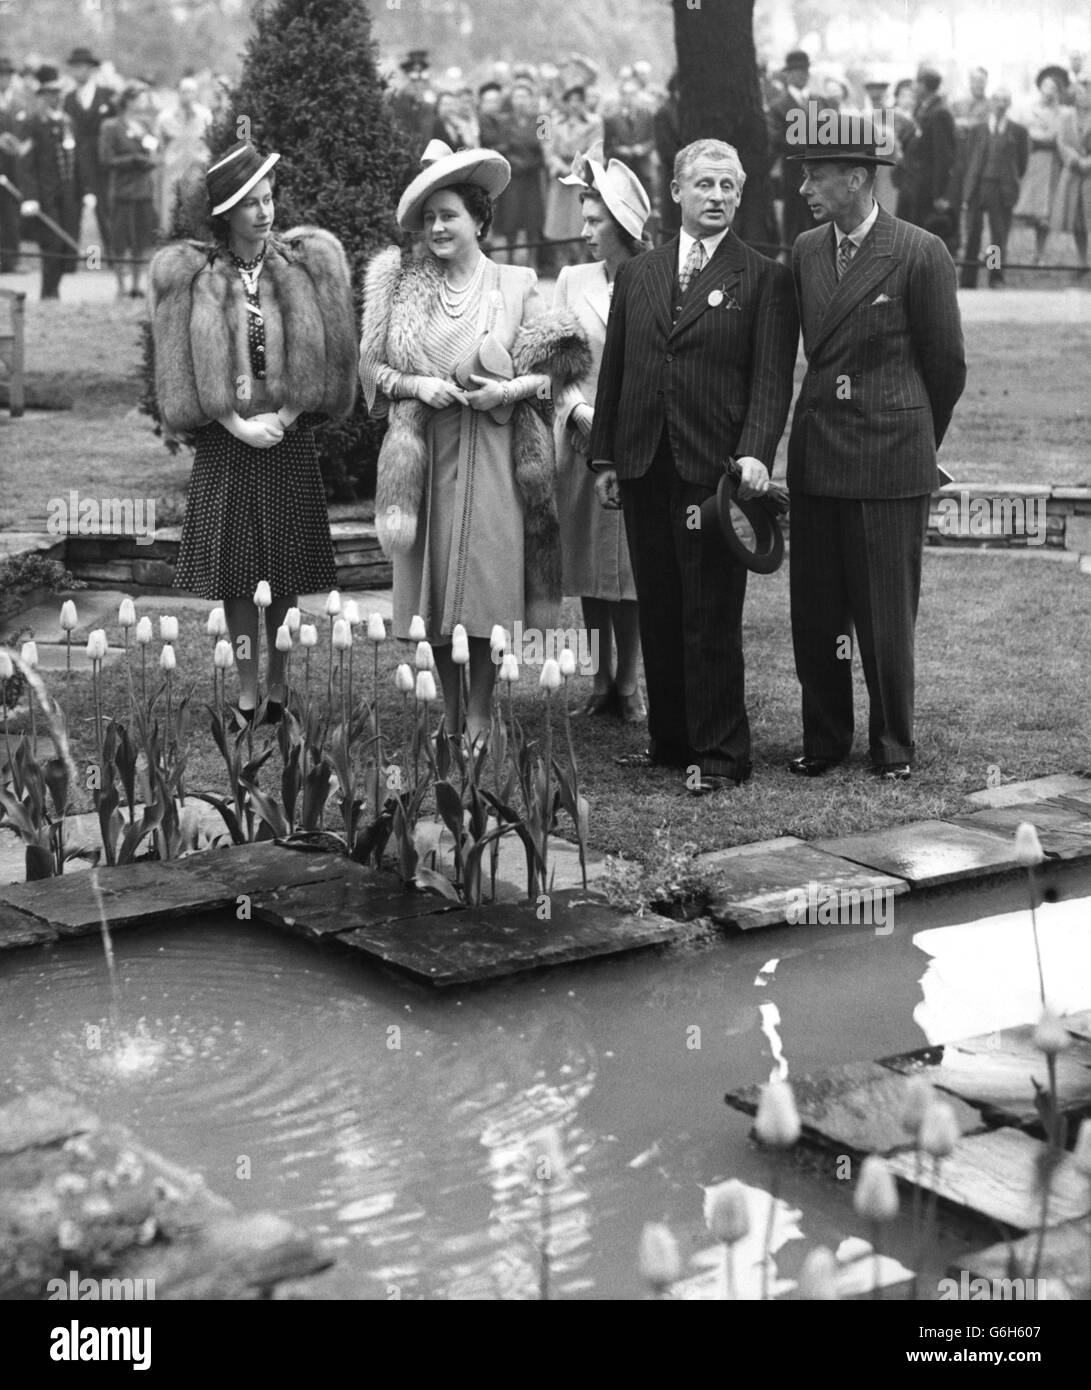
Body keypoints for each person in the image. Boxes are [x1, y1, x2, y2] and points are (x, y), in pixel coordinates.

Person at [359, 140, 590, 745]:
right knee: (436, 586)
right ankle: (451, 712)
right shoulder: (405, 289)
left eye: (449, 216)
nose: (437, 227)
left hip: (497, 452)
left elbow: (561, 367)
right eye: (429, 217)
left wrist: (509, 391)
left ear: (479, 221)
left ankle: (483, 713)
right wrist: (419, 384)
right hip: (427, 450)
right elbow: (371, 372)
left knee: (486, 584)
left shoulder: (515, 283)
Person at [588, 138, 799, 794]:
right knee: (658, 605)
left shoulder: (762, 277)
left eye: (727, 187)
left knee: (709, 610)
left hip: (713, 471)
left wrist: (756, 454)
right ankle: (669, 741)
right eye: (703, 184)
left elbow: (770, 380)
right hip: (644, 463)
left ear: (739, 196)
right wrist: (604, 456)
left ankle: (719, 754)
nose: (715, 197)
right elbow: (615, 371)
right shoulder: (639, 274)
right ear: (675, 191)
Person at [149, 141, 357, 722]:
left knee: (285, 567)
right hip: (227, 440)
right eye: (250, 204)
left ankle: (279, 684)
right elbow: (182, 368)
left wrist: (285, 418)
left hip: (286, 439)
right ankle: (246, 686)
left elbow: (329, 359)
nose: (265, 213)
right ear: (225, 214)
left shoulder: (304, 266)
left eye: (269, 200)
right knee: (238, 574)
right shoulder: (196, 275)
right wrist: (235, 423)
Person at [784, 135, 966, 782]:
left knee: (885, 615)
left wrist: (915, 442)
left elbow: (945, 366)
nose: (803, 190)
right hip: (817, 458)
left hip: (889, 463)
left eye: (817, 177)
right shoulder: (806, 251)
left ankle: (892, 744)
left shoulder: (919, 252)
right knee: (815, 611)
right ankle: (825, 738)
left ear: (858, 179)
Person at [551, 145, 650, 723]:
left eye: (595, 222)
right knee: (590, 564)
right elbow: (554, 362)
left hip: (636, 445)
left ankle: (631, 682)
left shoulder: (654, 276)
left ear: (623, 225)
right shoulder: (571, 279)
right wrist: (579, 413)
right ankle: (599, 679)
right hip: (584, 441)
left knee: (632, 567)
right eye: (585, 220)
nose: (586, 231)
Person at [957, 87, 1028, 287]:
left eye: (1005, 100)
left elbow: (1022, 163)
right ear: (992, 102)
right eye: (997, 100)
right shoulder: (978, 129)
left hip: (1001, 189)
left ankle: (994, 276)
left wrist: (1008, 180)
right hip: (978, 186)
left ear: (1010, 104)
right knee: (972, 233)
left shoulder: (1018, 131)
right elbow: (969, 158)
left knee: (997, 236)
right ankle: (968, 279)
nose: (1001, 104)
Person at [20, 66, 80, 300]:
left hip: (67, 193)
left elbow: (75, 159)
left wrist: (84, 191)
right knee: (51, 244)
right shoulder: (33, 122)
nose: (54, 97)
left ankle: (57, 289)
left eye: (57, 92)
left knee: (67, 243)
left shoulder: (67, 121)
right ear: (42, 95)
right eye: (49, 93)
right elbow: (26, 164)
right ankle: (48, 293)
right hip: (44, 195)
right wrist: (30, 197)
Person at [98, 84, 159, 299]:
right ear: (129, 101)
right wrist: (131, 160)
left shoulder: (145, 124)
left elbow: (154, 153)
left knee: (141, 239)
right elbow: (105, 159)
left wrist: (149, 161)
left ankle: (137, 284)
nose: (143, 103)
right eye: (139, 99)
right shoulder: (111, 126)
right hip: (122, 189)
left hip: (143, 189)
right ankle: (121, 285)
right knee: (120, 238)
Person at [62, 46, 115, 260]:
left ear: (91, 69)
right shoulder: (68, 99)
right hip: (77, 163)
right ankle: (86, 261)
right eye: (75, 68)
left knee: (105, 210)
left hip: (102, 163)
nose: (79, 72)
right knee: (81, 211)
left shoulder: (106, 96)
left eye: (82, 67)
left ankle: (112, 259)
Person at [898, 67, 958, 252]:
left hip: (927, 187)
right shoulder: (922, 108)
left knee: (923, 236)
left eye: (917, 83)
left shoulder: (940, 112)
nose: (914, 87)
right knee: (907, 233)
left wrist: (939, 193)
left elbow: (943, 156)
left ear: (924, 85)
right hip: (912, 183)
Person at [543, 85, 602, 265]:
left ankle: (583, 261)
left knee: (581, 219)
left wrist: (577, 167)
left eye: (579, 100)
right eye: (571, 100)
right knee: (557, 222)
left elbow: (596, 149)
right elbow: (546, 148)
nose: (575, 105)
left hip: (582, 177)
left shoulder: (595, 122)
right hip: (559, 177)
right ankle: (561, 263)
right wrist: (559, 166)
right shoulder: (548, 120)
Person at [1013, 67, 1067, 264]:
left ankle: (1039, 254)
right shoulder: (1027, 108)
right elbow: (1021, 132)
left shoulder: (1061, 113)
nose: (1049, 91)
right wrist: (1035, 136)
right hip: (1028, 162)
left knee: (1044, 214)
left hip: (1050, 164)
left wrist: (1039, 136)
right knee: (1013, 212)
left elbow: (1056, 136)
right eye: (1046, 86)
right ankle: (996, 260)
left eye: (1053, 88)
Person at [766, 50, 817, 255]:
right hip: (793, 176)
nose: (802, 75)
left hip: (819, 175)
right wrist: (811, 145)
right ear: (788, 74)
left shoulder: (819, 103)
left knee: (818, 226)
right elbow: (778, 139)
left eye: (804, 70)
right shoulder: (778, 106)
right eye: (797, 71)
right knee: (794, 227)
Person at [491, 79, 546, 267]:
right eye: (517, 96)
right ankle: (510, 259)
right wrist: (513, 161)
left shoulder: (542, 119)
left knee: (533, 219)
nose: (521, 101)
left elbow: (546, 148)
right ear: (511, 99)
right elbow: (500, 146)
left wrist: (532, 162)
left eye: (525, 96)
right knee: (511, 219)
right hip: (512, 176)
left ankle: (533, 262)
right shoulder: (503, 121)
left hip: (533, 176)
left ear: (531, 99)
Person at [155, 75, 211, 230]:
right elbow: (159, 143)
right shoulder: (165, 117)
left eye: (191, 91)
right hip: (173, 168)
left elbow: (210, 140)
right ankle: (168, 235)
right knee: (170, 206)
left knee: (195, 204)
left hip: (197, 168)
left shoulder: (205, 115)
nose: (188, 96)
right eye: (184, 91)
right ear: (178, 93)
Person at [1052, 79, 1091, 270]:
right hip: (1075, 175)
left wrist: (1089, 161)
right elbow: (1061, 142)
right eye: (1081, 93)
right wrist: (1074, 158)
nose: (1084, 97)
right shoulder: (1067, 118)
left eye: (1088, 93)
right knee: (1078, 220)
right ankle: (1082, 260)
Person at [0, 55, 31, 273]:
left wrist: (22, 147)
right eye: (2, 75)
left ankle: (13, 258)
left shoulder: (18, 102)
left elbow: (29, 134)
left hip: (14, 169)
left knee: (11, 215)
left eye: (8, 75)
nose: (5, 79)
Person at [603, 77, 655, 192]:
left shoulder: (646, 115)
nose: (630, 98)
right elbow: (607, 146)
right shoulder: (611, 118)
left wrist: (643, 148)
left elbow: (653, 140)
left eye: (633, 94)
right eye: (626, 94)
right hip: (621, 168)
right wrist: (620, 150)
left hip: (643, 168)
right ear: (621, 96)